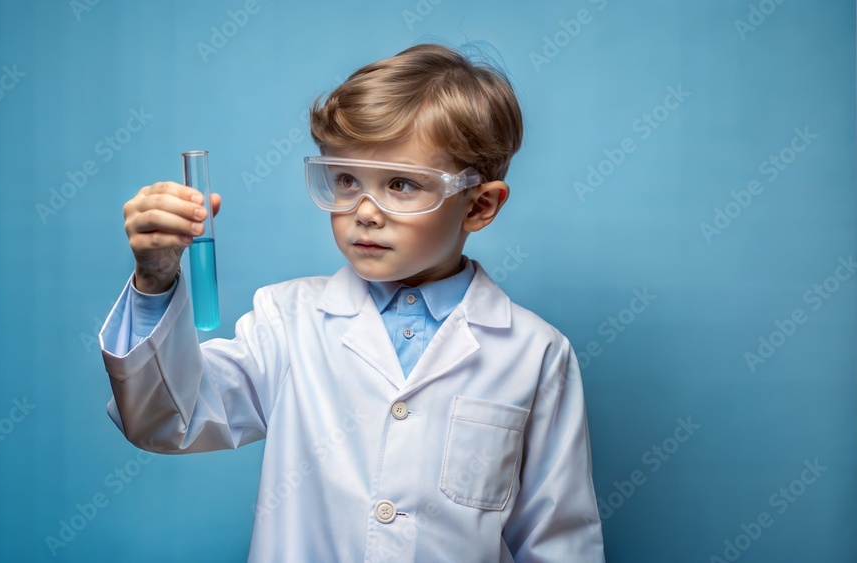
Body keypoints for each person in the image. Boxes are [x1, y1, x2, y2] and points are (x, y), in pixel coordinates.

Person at [99, 43, 605, 562]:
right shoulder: (287, 322)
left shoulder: (536, 354)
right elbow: (162, 421)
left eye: (402, 184)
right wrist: (155, 279)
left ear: (479, 206)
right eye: (345, 180)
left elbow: (558, 541)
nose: (364, 212)